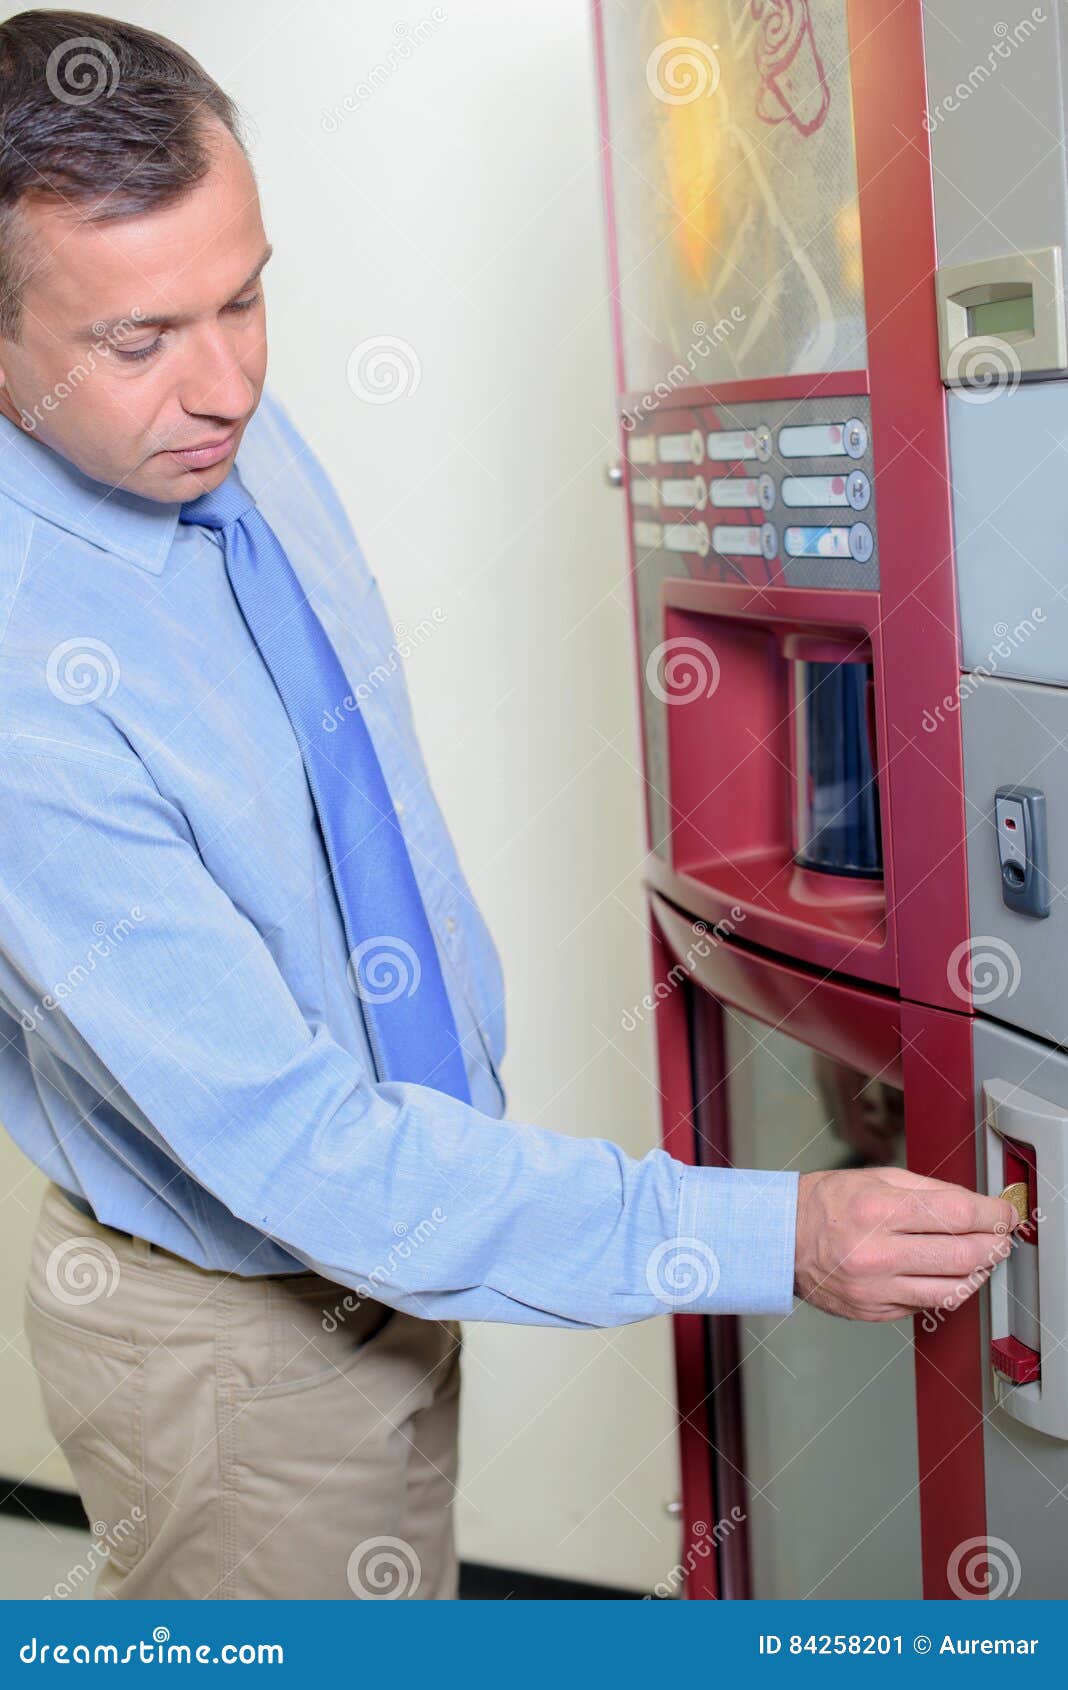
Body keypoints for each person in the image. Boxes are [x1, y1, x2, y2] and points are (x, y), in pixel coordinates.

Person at [0, 11, 1015, 1600]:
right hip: (237, 1337)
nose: (227, 383)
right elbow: (305, 1150)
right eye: (139, 341)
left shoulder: (201, 437)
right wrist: (772, 1234)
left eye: (248, 297)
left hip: (403, 1240)